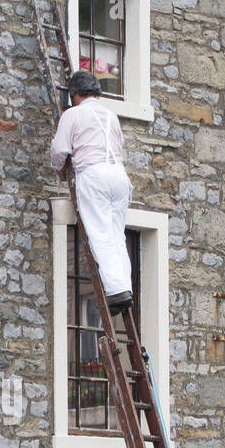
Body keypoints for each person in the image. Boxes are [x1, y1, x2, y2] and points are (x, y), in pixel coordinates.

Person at [49, 68, 134, 312]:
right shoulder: (111, 116)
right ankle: (123, 286)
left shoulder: (73, 114)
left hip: (93, 174)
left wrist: (58, 167)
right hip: (118, 175)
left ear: (75, 94)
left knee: (99, 233)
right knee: (117, 234)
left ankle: (116, 291)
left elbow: (59, 149)